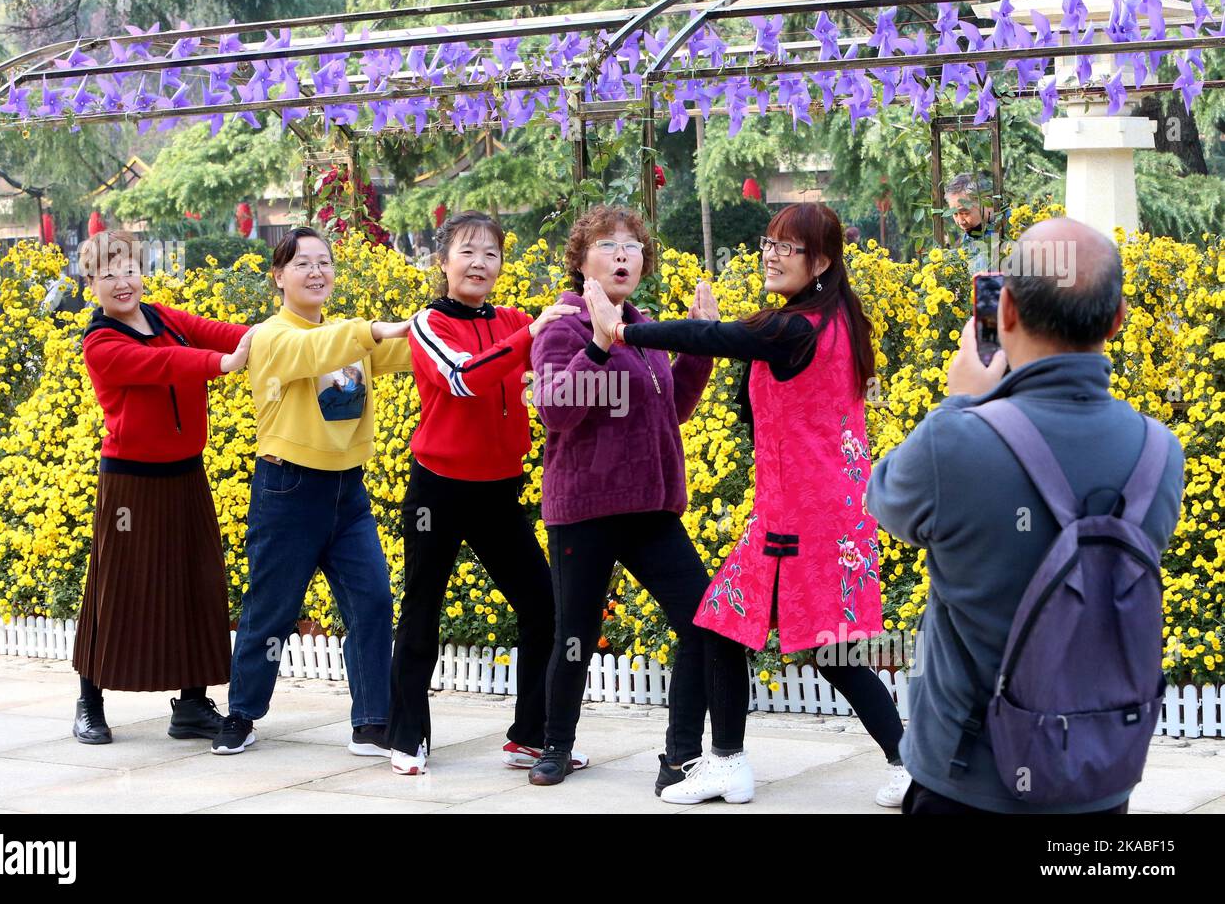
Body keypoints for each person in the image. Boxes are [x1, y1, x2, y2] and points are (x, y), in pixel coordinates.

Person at [585, 202, 909, 806]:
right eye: (770, 242)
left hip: (805, 516)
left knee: (814, 646)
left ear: (822, 262)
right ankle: (732, 764)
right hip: (820, 509)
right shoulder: (825, 319)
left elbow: (717, 337)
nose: (772, 254)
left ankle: (903, 762)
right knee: (728, 627)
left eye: (790, 247)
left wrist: (623, 331)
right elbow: (755, 375)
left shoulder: (798, 328)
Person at [865, 217, 1186, 814]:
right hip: (1099, 780)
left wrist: (962, 401)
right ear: (1117, 320)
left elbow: (884, 502)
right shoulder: (1159, 453)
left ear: (1004, 310)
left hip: (969, 780)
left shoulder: (954, 441)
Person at [527, 204, 752, 801]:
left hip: (651, 510)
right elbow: (555, 410)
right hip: (585, 507)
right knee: (575, 632)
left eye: (632, 245)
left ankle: (679, 757)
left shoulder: (645, 327)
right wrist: (598, 344)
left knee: (701, 623)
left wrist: (699, 344)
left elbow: (670, 409)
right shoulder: (562, 326)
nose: (624, 254)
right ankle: (554, 746)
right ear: (580, 262)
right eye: (608, 245)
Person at [387, 211, 583, 775]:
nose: (479, 263)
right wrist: (531, 332)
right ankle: (407, 738)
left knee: (543, 606)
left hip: (499, 490)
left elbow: (558, 352)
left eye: (491, 253)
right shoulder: (429, 322)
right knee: (423, 608)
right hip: (439, 490)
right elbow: (463, 378)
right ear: (442, 261)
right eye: (467, 252)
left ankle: (532, 734)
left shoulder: (513, 319)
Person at [214, 227, 412, 756]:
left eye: (324, 262)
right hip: (289, 489)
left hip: (349, 493)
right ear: (278, 276)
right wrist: (373, 327)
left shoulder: (347, 339)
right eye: (302, 264)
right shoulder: (271, 337)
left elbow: (408, 352)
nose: (317, 272)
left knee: (371, 602)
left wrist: (447, 326)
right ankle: (242, 713)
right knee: (272, 609)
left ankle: (372, 721)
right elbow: (317, 347)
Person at [73, 229, 256, 744]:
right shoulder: (101, 342)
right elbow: (163, 365)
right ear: (91, 283)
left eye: (127, 268)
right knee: (116, 588)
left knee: (196, 583)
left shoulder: (163, 317)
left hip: (185, 472)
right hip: (131, 483)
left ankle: (193, 705)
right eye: (107, 273)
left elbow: (213, 330)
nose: (121, 281)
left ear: (141, 269)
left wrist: (266, 338)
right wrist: (223, 364)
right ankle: (89, 702)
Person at [944, 172, 1004, 275]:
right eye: (955, 214)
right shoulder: (969, 237)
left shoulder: (1011, 228)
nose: (960, 222)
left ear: (987, 203)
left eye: (965, 213)